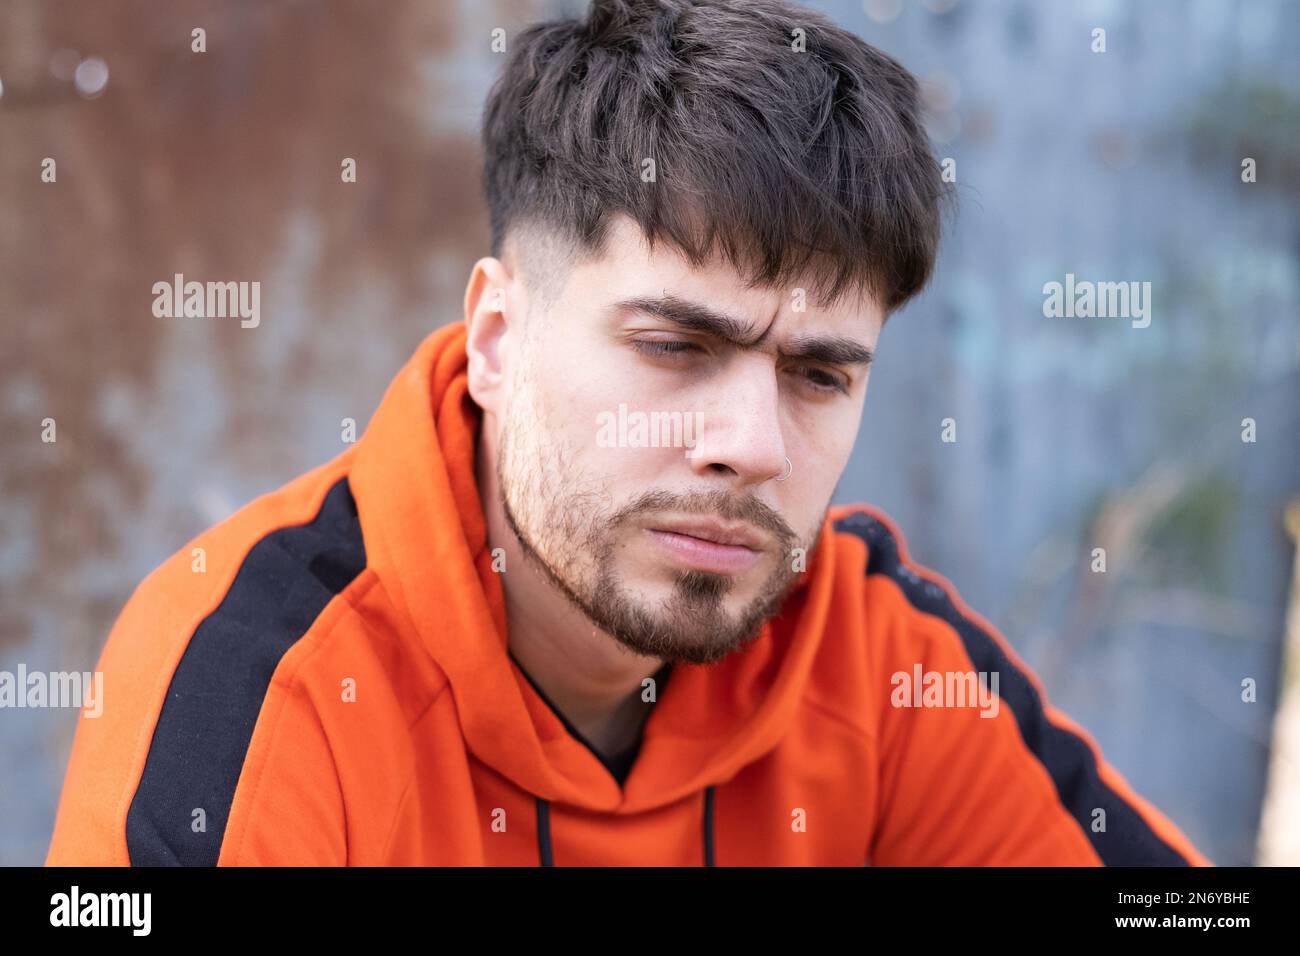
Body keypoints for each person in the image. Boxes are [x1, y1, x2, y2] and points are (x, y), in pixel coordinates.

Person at [46, 0, 1209, 866]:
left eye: (816, 373)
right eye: (674, 346)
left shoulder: (876, 656)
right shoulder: (261, 683)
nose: (749, 443)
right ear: (498, 337)